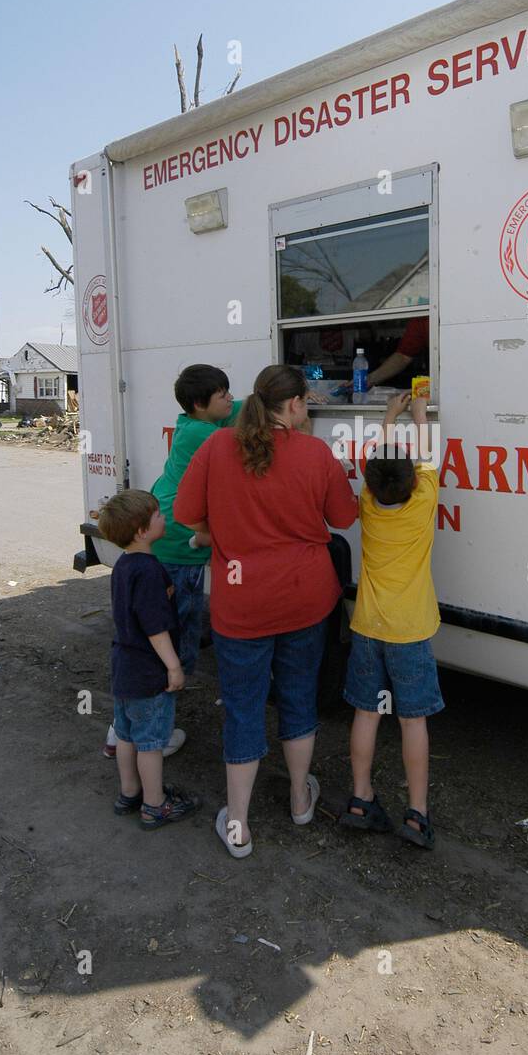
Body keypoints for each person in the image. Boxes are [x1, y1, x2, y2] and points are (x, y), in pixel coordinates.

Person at [174, 364, 358, 859]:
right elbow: (343, 517)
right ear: (296, 405)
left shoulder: (215, 447)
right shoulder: (316, 453)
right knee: (299, 696)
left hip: (242, 604)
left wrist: (228, 532)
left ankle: (238, 824)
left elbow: (186, 515)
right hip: (304, 598)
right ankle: (300, 800)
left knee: (243, 706)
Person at [102, 364, 243, 759]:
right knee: (171, 643)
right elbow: (243, 436)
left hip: (170, 537)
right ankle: (153, 735)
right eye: (223, 395)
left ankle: (123, 730)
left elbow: (237, 409)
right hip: (180, 544)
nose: (231, 400)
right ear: (202, 404)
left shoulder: (191, 421)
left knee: (162, 637)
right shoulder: (205, 434)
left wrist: (263, 398)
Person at [340, 392, 443, 848]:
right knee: (412, 720)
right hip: (411, 631)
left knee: (366, 712)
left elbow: (376, 468)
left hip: (366, 629)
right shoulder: (422, 504)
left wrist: (389, 416)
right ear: (414, 484)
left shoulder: (366, 504)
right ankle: (416, 814)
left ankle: (361, 799)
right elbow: (425, 458)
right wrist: (420, 414)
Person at [97, 489, 201, 831]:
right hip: (149, 672)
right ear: (142, 530)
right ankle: (155, 804)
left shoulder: (124, 566)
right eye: (157, 514)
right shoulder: (151, 571)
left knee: (126, 735)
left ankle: (129, 793)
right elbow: (155, 627)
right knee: (151, 742)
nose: (163, 517)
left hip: (124, 669)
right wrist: (173, 665)